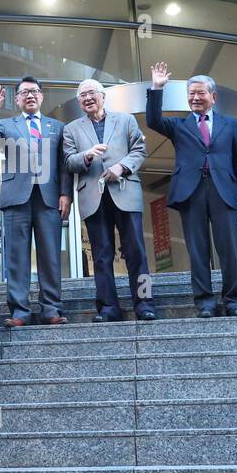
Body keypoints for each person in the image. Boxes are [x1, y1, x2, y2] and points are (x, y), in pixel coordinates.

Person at [146, 64, 237, 317]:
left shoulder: (230, 125)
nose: (195, 97)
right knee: (198, 249)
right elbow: (153, 120)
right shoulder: (179, 126)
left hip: (223, 190)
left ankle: (233, 301)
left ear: (213, 97)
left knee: (229, 249)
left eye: (200, 93)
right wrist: (157, 88)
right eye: (191, 93)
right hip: (191, 192)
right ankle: (205, 303)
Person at [0, 77, 71, 327]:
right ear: (16, 99)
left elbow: (63, 165)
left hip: (49, 198)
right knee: (17, 257)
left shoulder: (57, 126)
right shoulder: (6, 125)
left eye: (35, 91)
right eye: (24, 92)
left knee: (50, 256)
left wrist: (66, 194)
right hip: (16, 197)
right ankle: (19, 311)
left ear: (41, 97)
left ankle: (51, 309)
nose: (30, 95)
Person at [63, 79, 157, 322]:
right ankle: (108, 308)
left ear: (103, 96)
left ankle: (145, 303)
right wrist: (86, 156)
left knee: (136, 251)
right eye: (82, 95)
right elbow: (68, 162)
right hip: (93, 196)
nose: (87, 98)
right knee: (101, 256)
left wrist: (121, 167)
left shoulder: (125, 120)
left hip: (124, 190)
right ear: (79, 102)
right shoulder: (71, 128)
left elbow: (139, 150)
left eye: (91, 93)